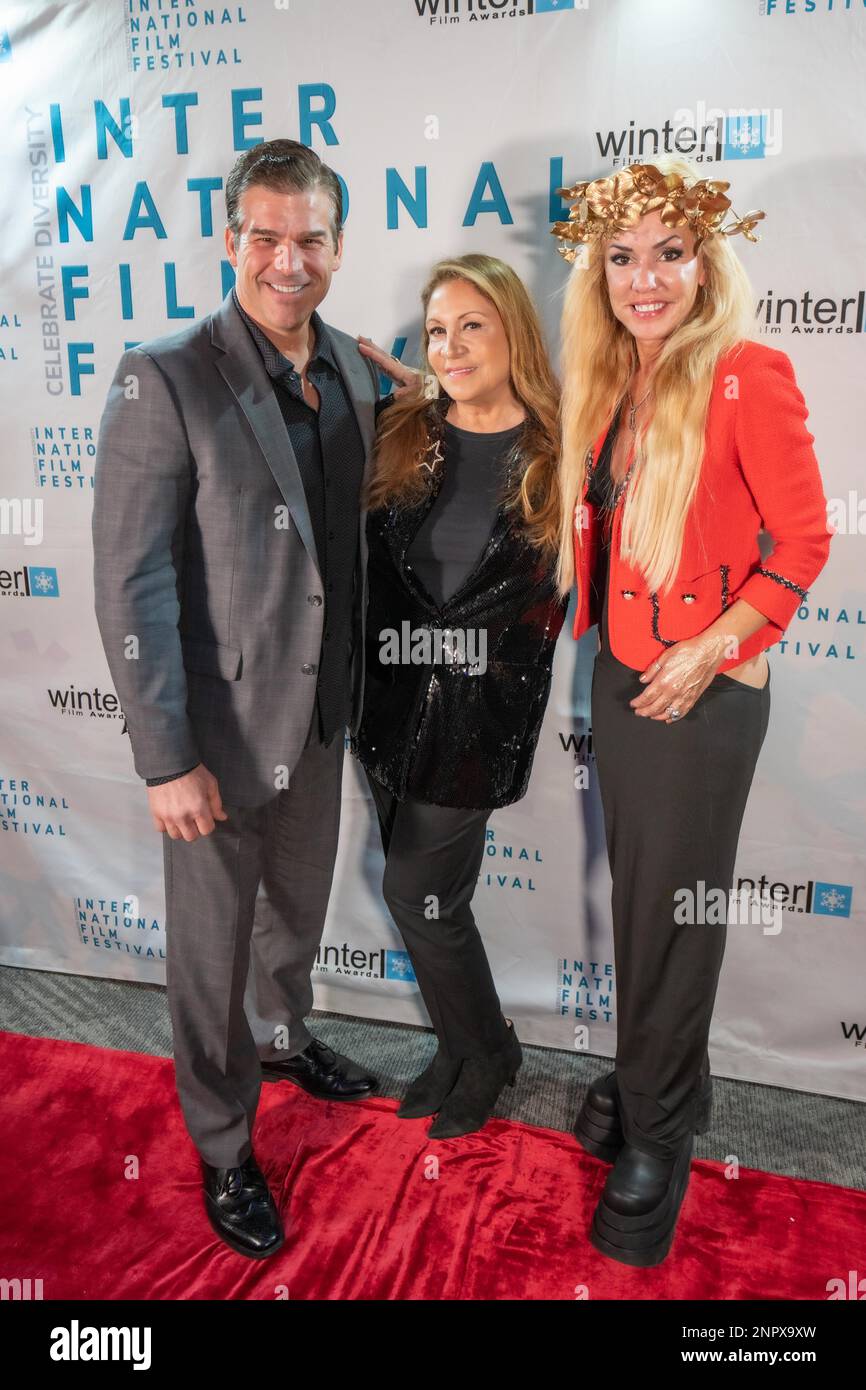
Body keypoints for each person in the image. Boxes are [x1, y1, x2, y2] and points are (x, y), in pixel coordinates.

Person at [92, 139, 383, 1260]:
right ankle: (221, 1140)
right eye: (264, 236)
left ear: (337, 246)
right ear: (228, 241)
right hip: (211, 735)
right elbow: (131, 576)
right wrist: (165, 757)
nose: (287, 260)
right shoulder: (163, 376)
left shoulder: (353, 371)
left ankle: (283, 1036)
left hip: (319, 720)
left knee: (292, 915)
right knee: (209, 951)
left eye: (309, 238)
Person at [552, 158, 832, 1266]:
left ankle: (656, 1138)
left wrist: (712, 647)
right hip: (623, 674)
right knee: (646, 904)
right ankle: (659, 1082)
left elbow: (802, 544)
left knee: (671, 912)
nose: (644, 277)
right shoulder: (604, 375)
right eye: (621, 258)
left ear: (707, 260)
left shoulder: (746, 371)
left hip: (705, 687)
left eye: (668, 252)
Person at [355, 255, 567, 1138]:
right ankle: (458, 1045)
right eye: (438, 329)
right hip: (387, 705)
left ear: (514, 329)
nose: (449, 346)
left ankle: (488, 1052)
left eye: (472, 325)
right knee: (437, 899)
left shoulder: (565, 456)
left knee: (415, 892)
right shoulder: (402, 431)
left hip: (480, 719)